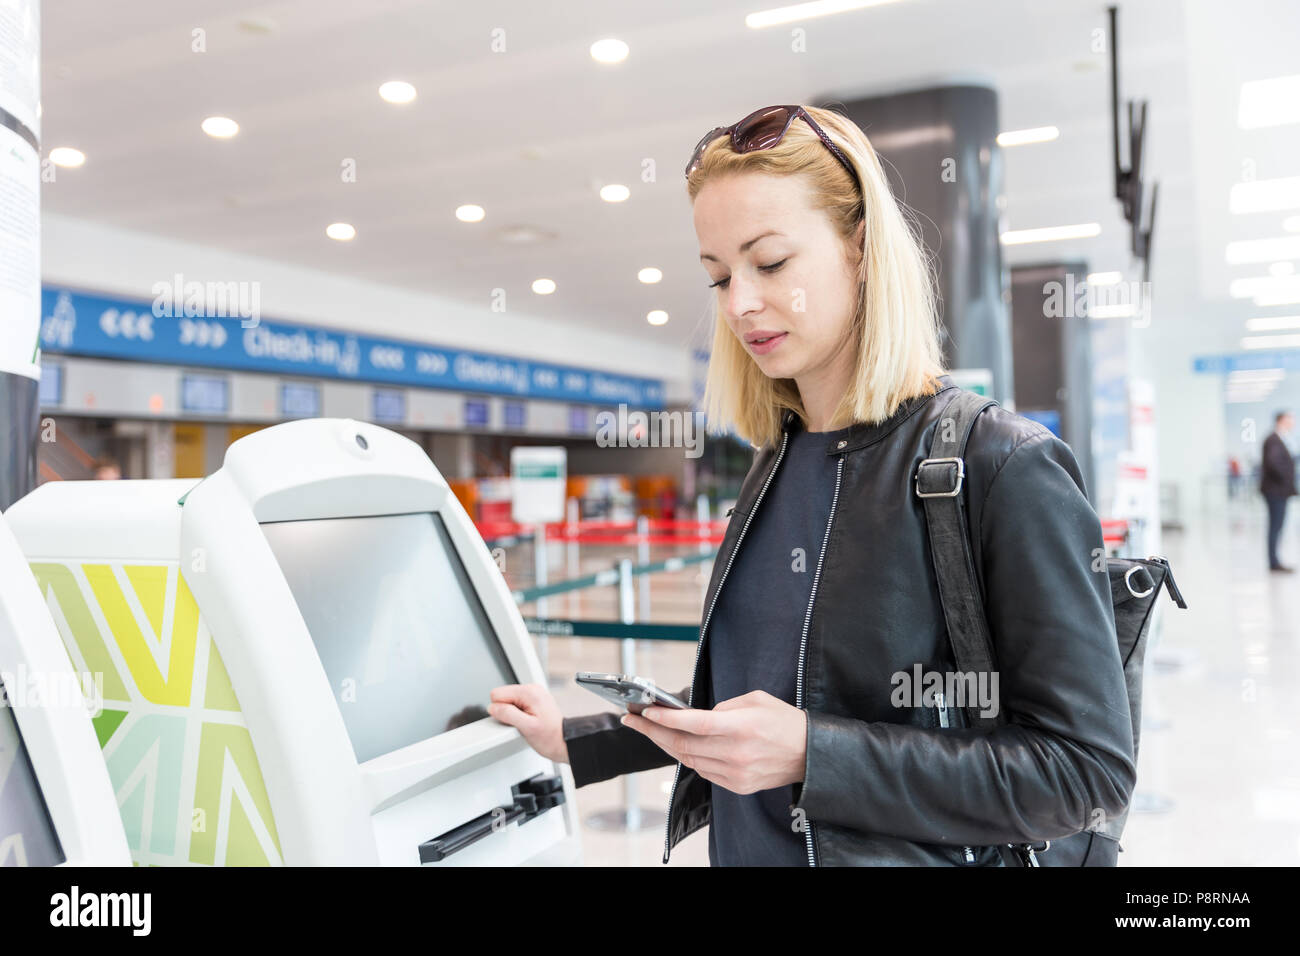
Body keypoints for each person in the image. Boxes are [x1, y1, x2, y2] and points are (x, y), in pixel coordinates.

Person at [488, 104, 1134, 866]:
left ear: (860, 247)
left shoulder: (1000, 464)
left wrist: (814, 755)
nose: (739, 304)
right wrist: (577, 738)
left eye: (770, 263)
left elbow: (1084, 774)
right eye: (719, 277)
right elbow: (757, 711)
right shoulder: (774, 464)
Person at [1261, 410, 1297, 573]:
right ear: (1282, 420)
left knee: (1277, 526)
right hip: (1275, 491)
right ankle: (1274, 562)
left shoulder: (1280, 439)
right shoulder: (1273, 439)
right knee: (1275, 526)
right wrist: (1287, 479)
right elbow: (1274, 464)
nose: (1293, 422)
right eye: (1291, 419)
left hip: (1278, 490)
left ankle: (1275, 560)